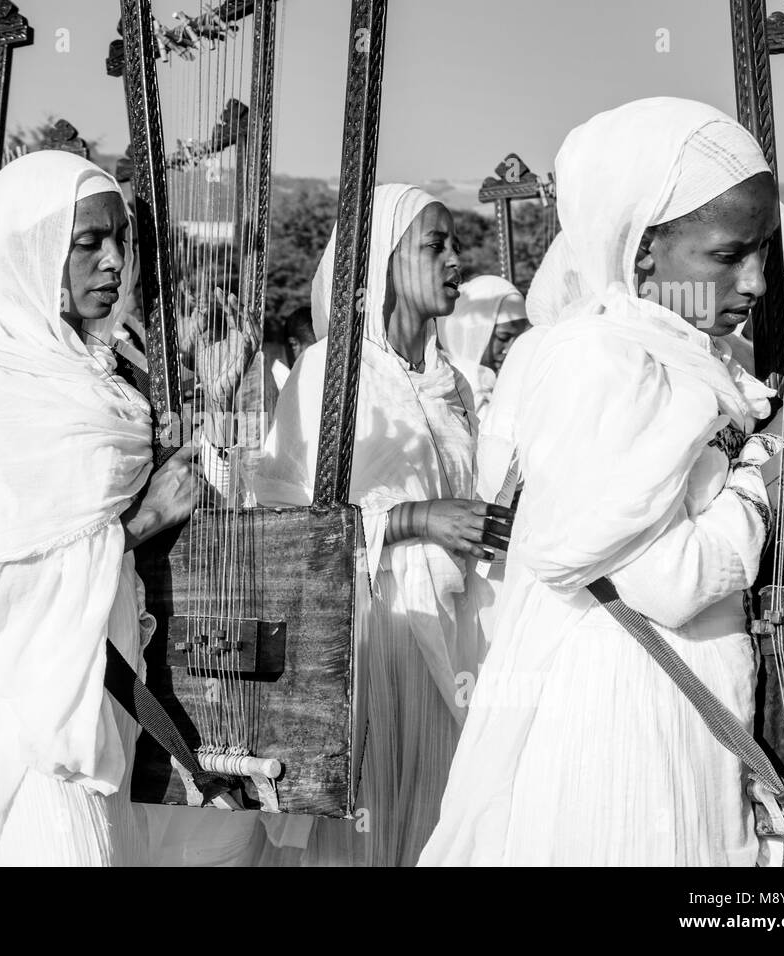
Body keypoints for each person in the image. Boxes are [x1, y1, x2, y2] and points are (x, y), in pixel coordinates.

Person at [421, 97, 784, 867]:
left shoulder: (690, 356)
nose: (755, 281)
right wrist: (764, 473)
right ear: (644, 249)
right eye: (728, 256)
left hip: (680, 707)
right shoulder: (603, 361)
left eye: (765, 252)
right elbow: (675, 579)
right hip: (621, 724)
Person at [0, 151, 204, 866]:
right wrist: (144, 524)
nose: (115, 261)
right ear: (33, 250)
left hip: (112, 678)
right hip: (33, 702)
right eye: (89, 243)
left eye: (121, 239)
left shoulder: (103, 372)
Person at [248, 184, 512, 866]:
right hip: (367, 644)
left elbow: (467, 497)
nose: (456, 259)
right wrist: (414, 520)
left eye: (457, 244)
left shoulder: (452, 381)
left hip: (447, 636)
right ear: (382, 266)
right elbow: (285, 520)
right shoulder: (327, 374)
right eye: (436, 245)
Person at [438, 274, 529, 414]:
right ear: (475, 334)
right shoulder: (445, 388)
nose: (511, 349)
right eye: (503, 337)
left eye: (519, 339)